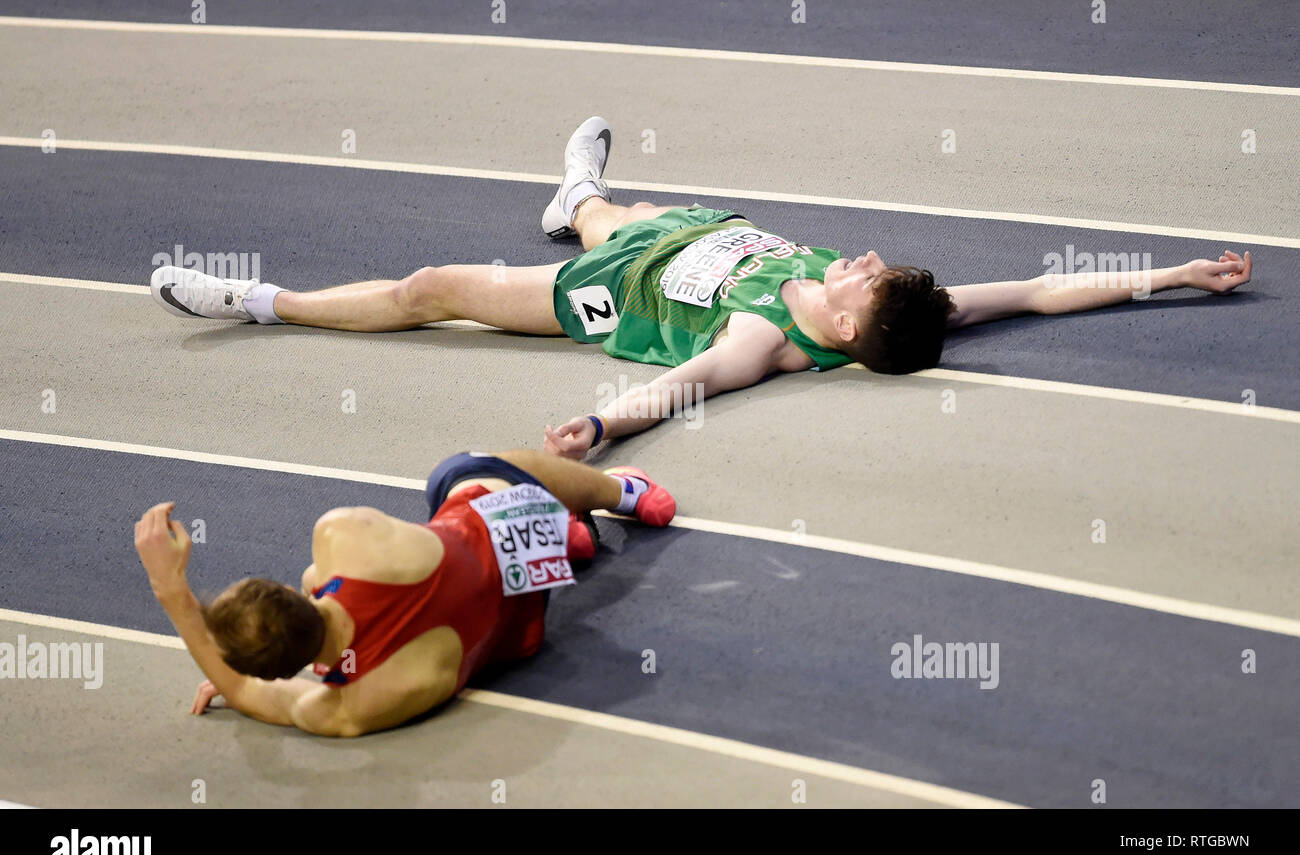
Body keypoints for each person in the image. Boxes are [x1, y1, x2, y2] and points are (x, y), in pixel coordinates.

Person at [149, 117, 1254, 458]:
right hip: (694, 232)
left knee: (438, 282)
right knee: (604, 210)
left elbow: (680, 387)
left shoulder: (765, 343)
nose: (861, 258)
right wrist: (1173, 273)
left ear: (845, 326)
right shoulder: (923, 306)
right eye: (871, 264)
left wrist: (595, 421)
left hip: (610, 298)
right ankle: (577, 184)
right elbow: (1048, 293)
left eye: (862, 278)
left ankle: (260, 304)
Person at [132, 450, 675, 737]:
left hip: (520, 627)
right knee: (464, 470)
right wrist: (171, 577)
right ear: (280, 592)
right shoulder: (341, 534)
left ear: (278, 671)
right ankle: (624, 492)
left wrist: (175, 598)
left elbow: (248, 694)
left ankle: (570, 535)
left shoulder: (348, 709)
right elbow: (332, 583)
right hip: (512, 529)